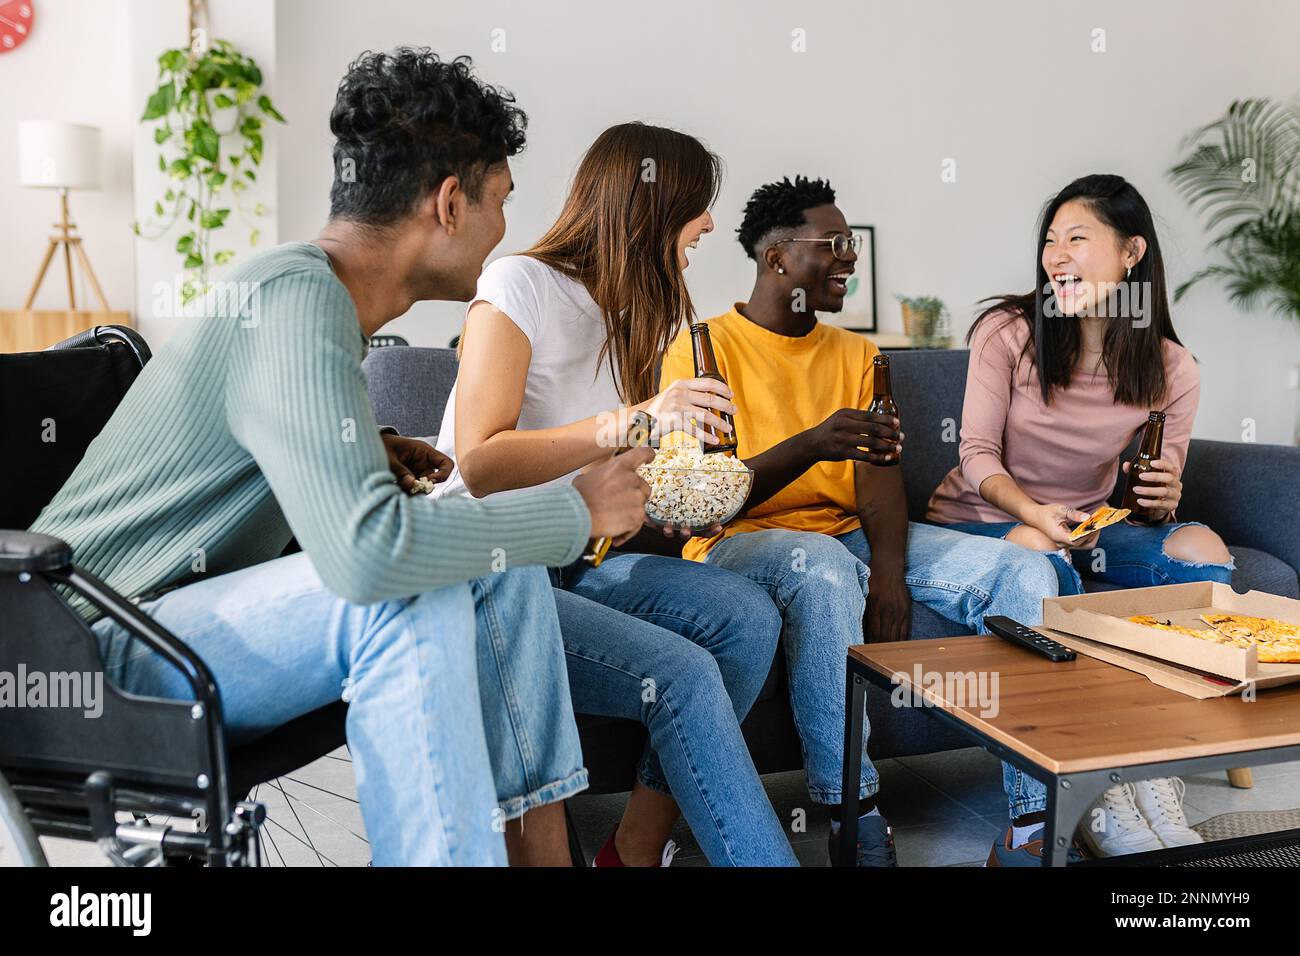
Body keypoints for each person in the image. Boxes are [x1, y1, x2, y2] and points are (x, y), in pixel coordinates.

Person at [28, 48, 650, 866]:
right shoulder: (294, 297)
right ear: (451, 203)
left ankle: (541, 848)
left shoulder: (315, 305)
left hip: (168, 623)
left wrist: (364, 450)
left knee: (498, 565)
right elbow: (369, 557)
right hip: (86, 645)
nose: (508, 232)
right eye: (501, 202)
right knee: (407, 593)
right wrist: (577, 510)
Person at [658, 175, 1061, 866]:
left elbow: (878, 481)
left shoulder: (857, 356)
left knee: (1028, 568)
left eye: (851, 244)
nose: (848, 257)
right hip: (735, 541)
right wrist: (814, 443)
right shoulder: (701, 349)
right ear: (778, 257)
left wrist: (893, 578)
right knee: (821, 568)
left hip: (844, 533)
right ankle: (855, 809)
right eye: (833, 244)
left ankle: (1032, 823)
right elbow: (703, 500)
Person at [435, 122, 798, 866]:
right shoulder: (518, 284)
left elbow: (609, 483)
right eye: (698, 204)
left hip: (578, 556)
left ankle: (633, 848)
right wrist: (633, 419)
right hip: (490, 572)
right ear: (649, 208)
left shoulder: (640, 315)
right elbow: (478, 461)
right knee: (684, 672)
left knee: (747, 616)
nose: (710, 224)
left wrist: (673, 490)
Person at [928, 173, 1233, 864]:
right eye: (1049, 240)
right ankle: (1093, 785)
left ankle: (1156, 765)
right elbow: (975, 453)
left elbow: (1160, 498)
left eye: (1076, 238)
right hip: (983, 519)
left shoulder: (1170, 367)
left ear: (1131, 253)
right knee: (1038, 544)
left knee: (1201, 550)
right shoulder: (1008, 333)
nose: (1055, 255)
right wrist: (1036, 511)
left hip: (1086, 530)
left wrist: (1160, 494)